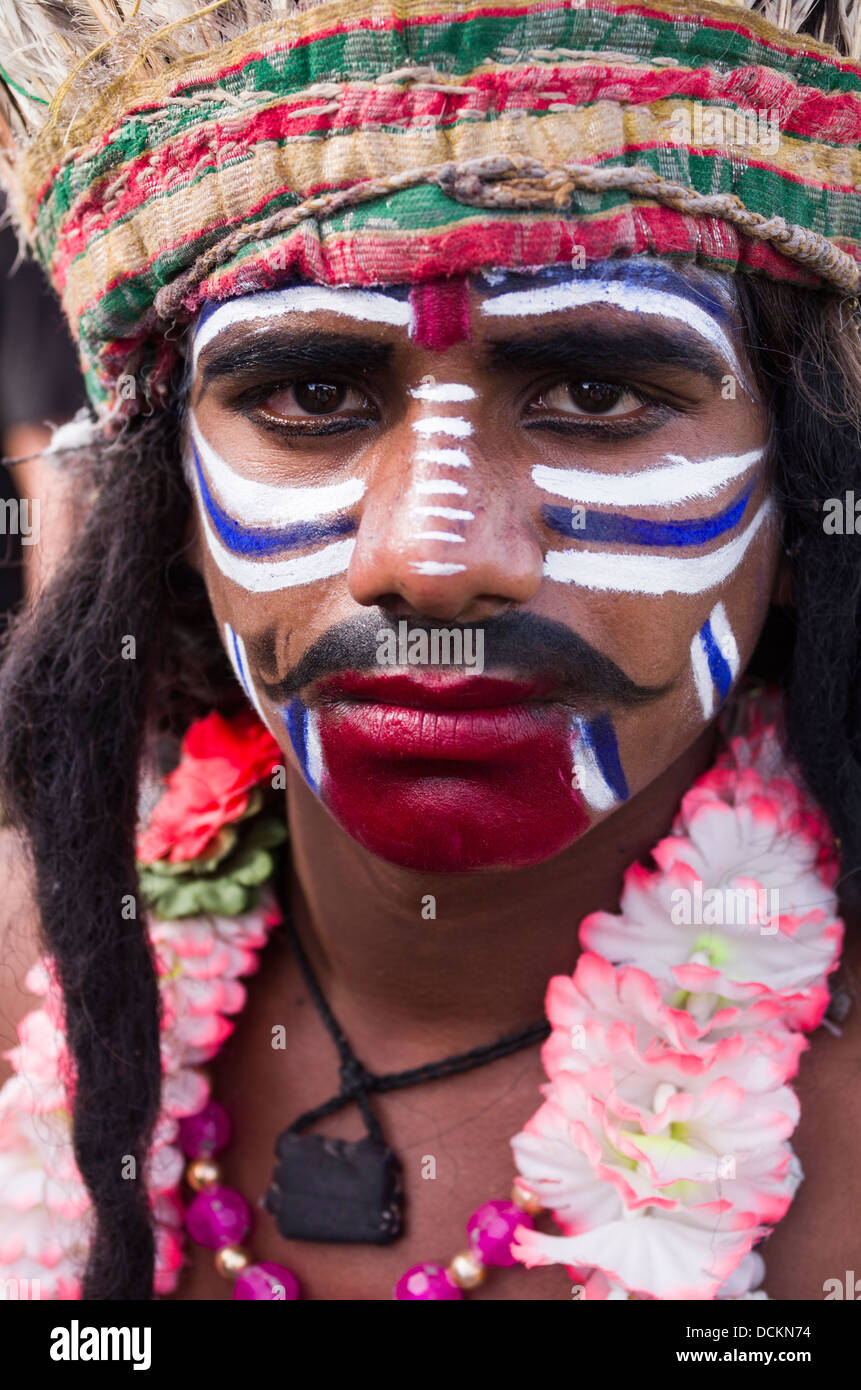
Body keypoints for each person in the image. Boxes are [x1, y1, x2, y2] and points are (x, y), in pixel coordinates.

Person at [0, 0, 858, 1303]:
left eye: (593, 391)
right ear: (167, 512)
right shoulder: (22, 976)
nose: (434, 556)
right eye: (313, 395)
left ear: (801, 500)